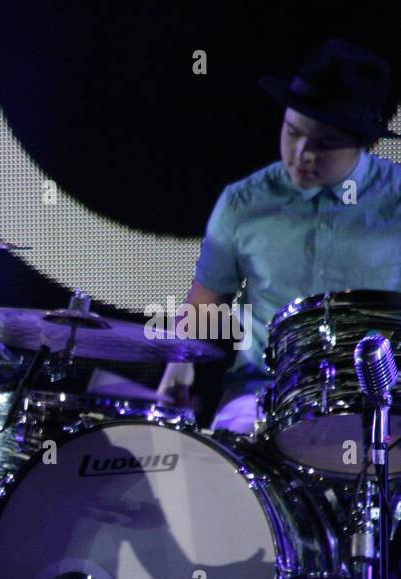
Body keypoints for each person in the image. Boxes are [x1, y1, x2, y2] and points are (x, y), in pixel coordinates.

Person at [158, 39, 401, 431]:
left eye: (324, 144)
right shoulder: (243, 202)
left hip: (375, 403)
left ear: (364, 143)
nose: (302, 153)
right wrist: (176, 374)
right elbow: (204, 308)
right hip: (260, 396)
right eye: (292, 132)